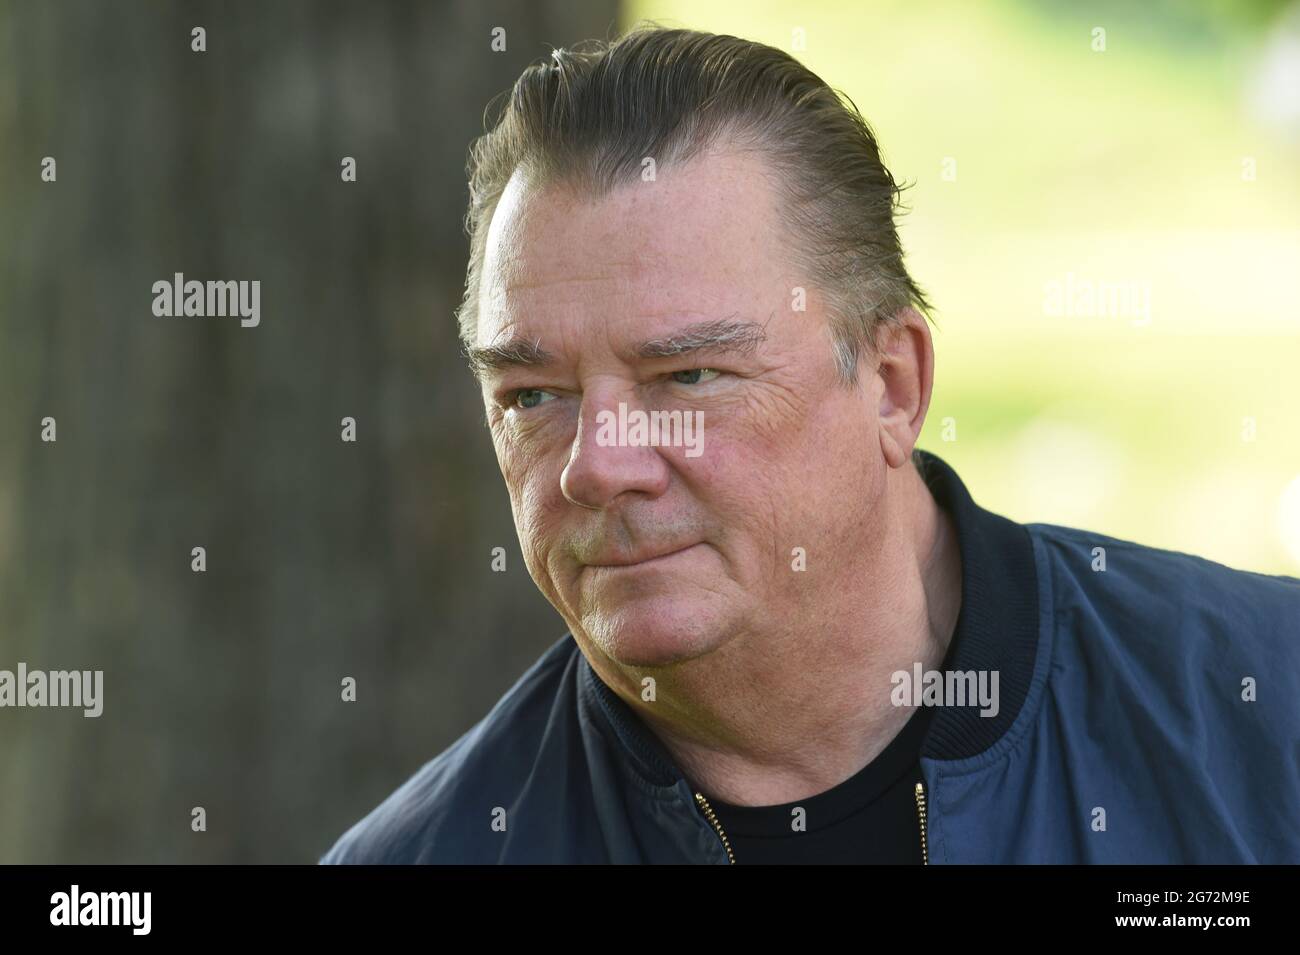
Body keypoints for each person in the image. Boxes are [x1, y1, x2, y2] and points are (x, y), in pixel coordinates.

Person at [321, 25, 1300, 864]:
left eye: (689, 377)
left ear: (892, 384)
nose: (597, 464)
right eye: (533, 395)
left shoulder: (1261, 710)